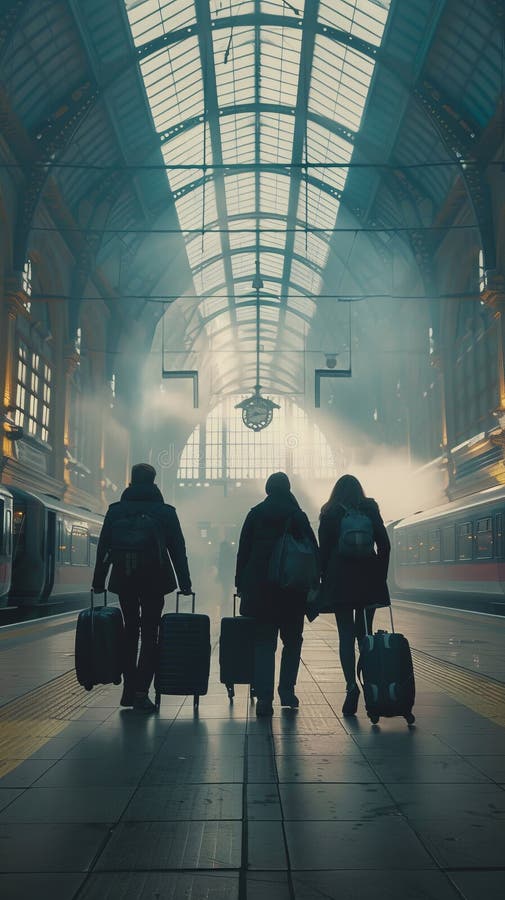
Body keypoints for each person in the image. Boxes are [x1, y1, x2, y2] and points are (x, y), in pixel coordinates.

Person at [92, 462, 192, 711]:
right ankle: (140, 692)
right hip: (155, 580)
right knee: (150, 634)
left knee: (129, 631)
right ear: (153, 482)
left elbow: (104, 548)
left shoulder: (116, 510)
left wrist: (98, 582)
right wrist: (185, 583)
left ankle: (128, 688)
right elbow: (178, 550)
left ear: (131, 481)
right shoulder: (165, 512)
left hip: (124, 578)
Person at [235, 472, 318, 716]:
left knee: (264, 643)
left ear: (268, 489)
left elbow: (243, 552)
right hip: (292, 590)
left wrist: (241, 584)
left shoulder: (255, 514)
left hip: (261, 592)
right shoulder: (297, 515)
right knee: (292, 642)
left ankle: (264, 699)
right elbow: (313, 551)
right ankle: (287, 692)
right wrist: (314, 584)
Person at [318, 474, 391, 716]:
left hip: (340, 580)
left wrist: (323, 580)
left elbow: (324, 552)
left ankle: (351, 686)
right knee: (365, 635)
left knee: (345, 635)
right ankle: (371, 686)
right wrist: (380, 574)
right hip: (368, 578)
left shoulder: (329, 512)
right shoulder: (370, 508)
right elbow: (385, 544)